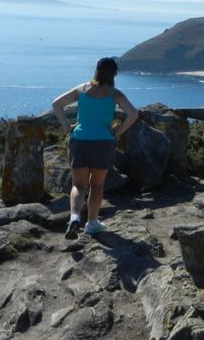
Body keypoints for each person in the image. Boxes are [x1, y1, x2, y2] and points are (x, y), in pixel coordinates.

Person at [52, 57, 139, 239]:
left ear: (96, 71)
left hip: (80, 139)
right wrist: (117, 132)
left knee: (78, 185)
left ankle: (75, 217)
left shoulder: (82, 89)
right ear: (114, 74)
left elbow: (56, 104)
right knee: (97, 185)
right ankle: (92, 223)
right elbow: (133, 114)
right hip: (103, 142)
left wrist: (67, 127)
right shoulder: (115, 94)